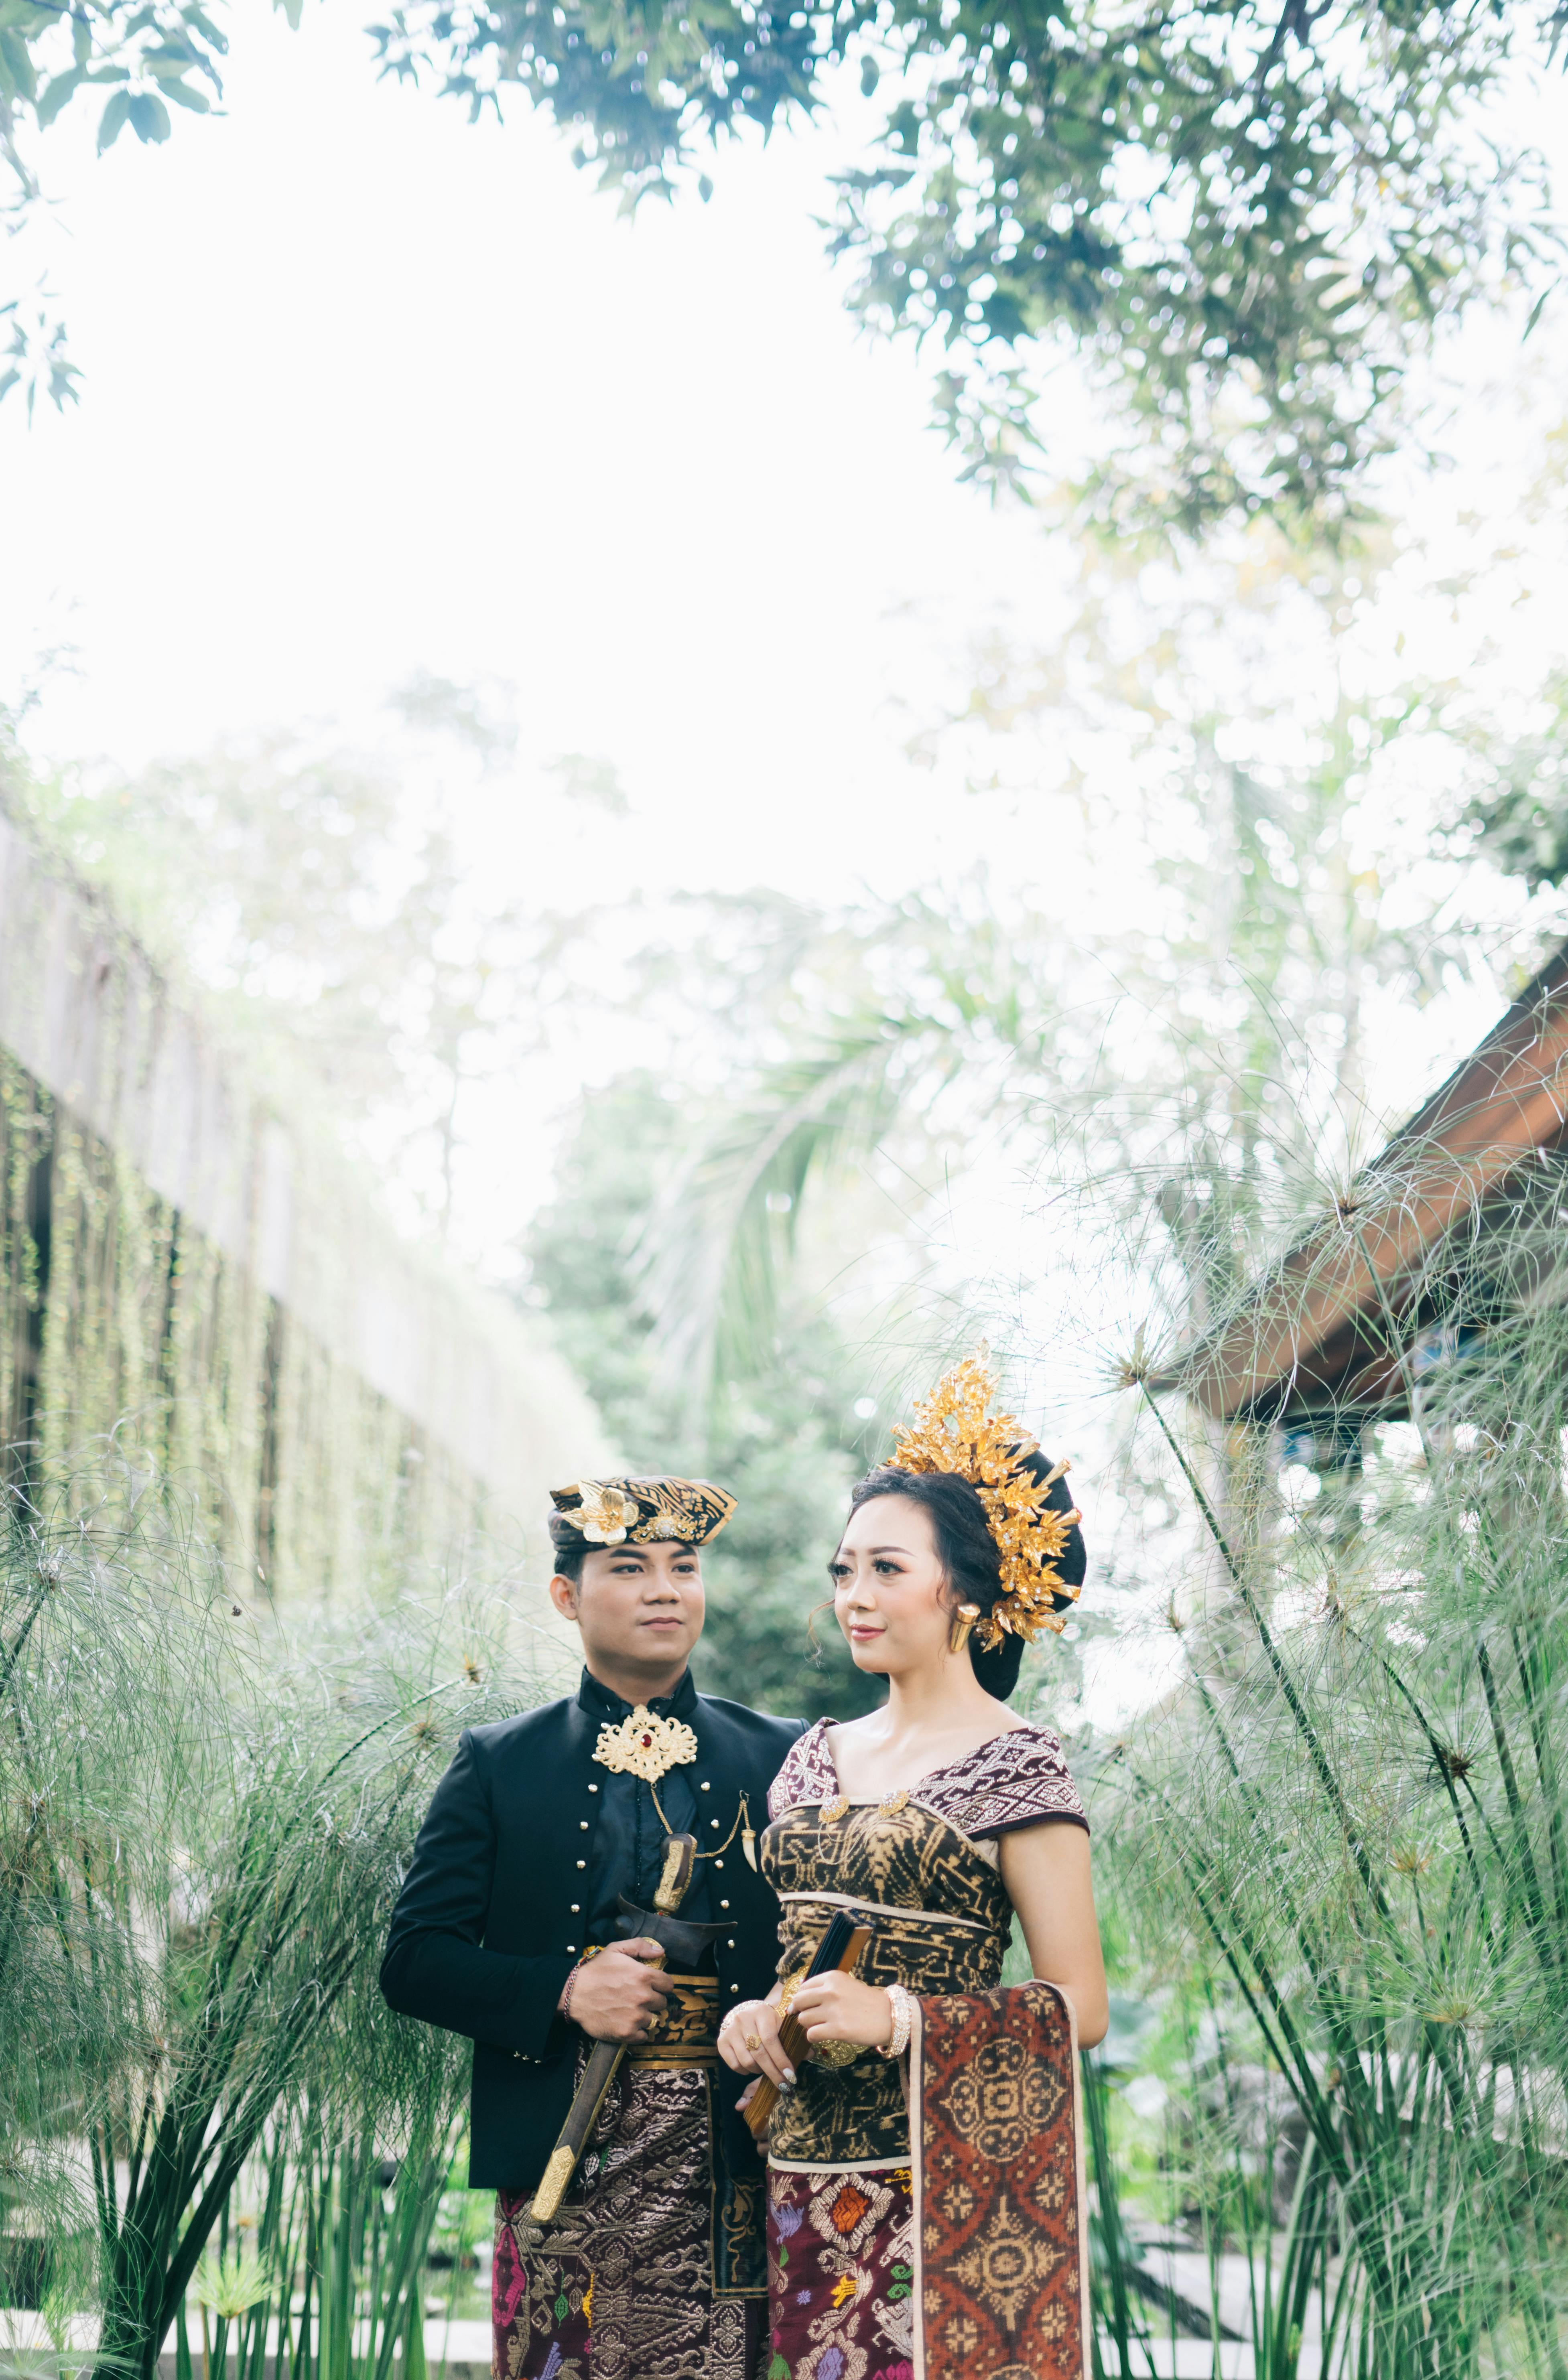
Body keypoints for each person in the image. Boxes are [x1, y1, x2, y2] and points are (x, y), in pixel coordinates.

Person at [718, 1354, 1109, 2380]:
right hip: (798, 2176)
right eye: (843, 1570)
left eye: (887, 1570)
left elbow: (1080, 2007)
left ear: (966, 1591)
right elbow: (802, 1960)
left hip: (941, 2195)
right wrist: (757, 2015)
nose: (854, 1597)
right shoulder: (810, 1758)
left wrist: (896, 2018)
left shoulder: (1017, 1767)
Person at [380, 1475, 804, 2380]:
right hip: (564, 2158)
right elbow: (413, 1962)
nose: (665, 1589)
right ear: (566, 1596)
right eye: (630, 1567)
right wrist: (566, 1988)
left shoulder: (789, 1755)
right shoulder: (497, 1762)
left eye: (684, 1567)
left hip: (740, 2161)